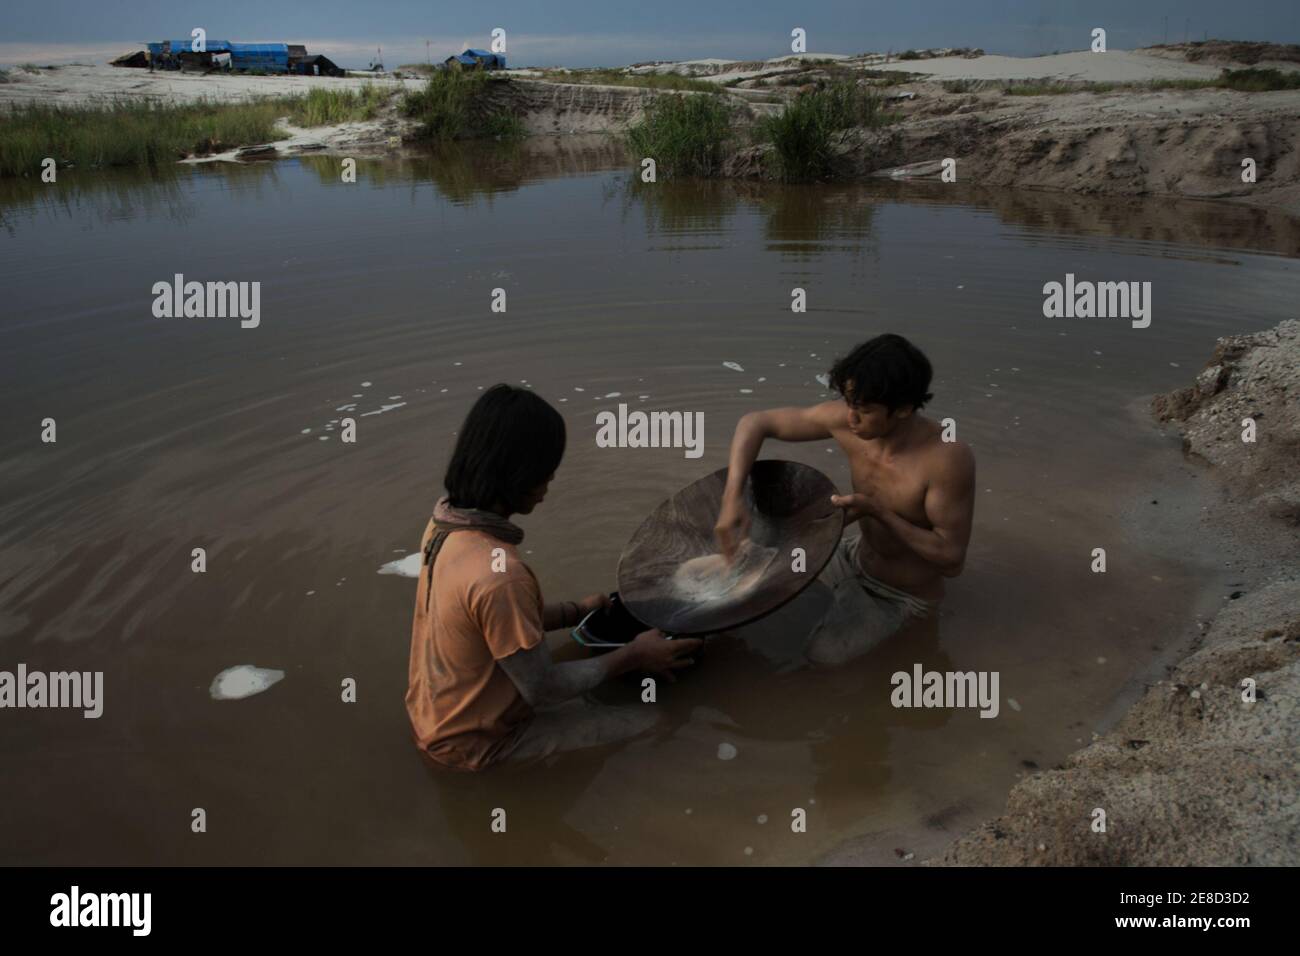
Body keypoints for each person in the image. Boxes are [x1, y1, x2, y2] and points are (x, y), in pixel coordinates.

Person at [406, 384, 701, 771]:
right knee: (656, 721)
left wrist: (575, 611)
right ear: (517, 473)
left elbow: (482, 620)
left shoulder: (443, 527)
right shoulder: (500, 575)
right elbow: (543, 689)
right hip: (478, 746)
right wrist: (634, 655)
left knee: (599, 688)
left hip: (431, 716)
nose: (549, 485)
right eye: (545, 472)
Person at [715, 334, 975, 665]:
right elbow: (755, 422)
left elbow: (952, 560)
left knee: (821, 659)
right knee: (752, 581)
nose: (850, 419)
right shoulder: (848, 418)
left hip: (899, 594)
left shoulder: (947, 459)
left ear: (904, 409)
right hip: (850, 556)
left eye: (864, 411)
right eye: (850, 403)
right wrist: (732, 497)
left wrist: (879, 512)